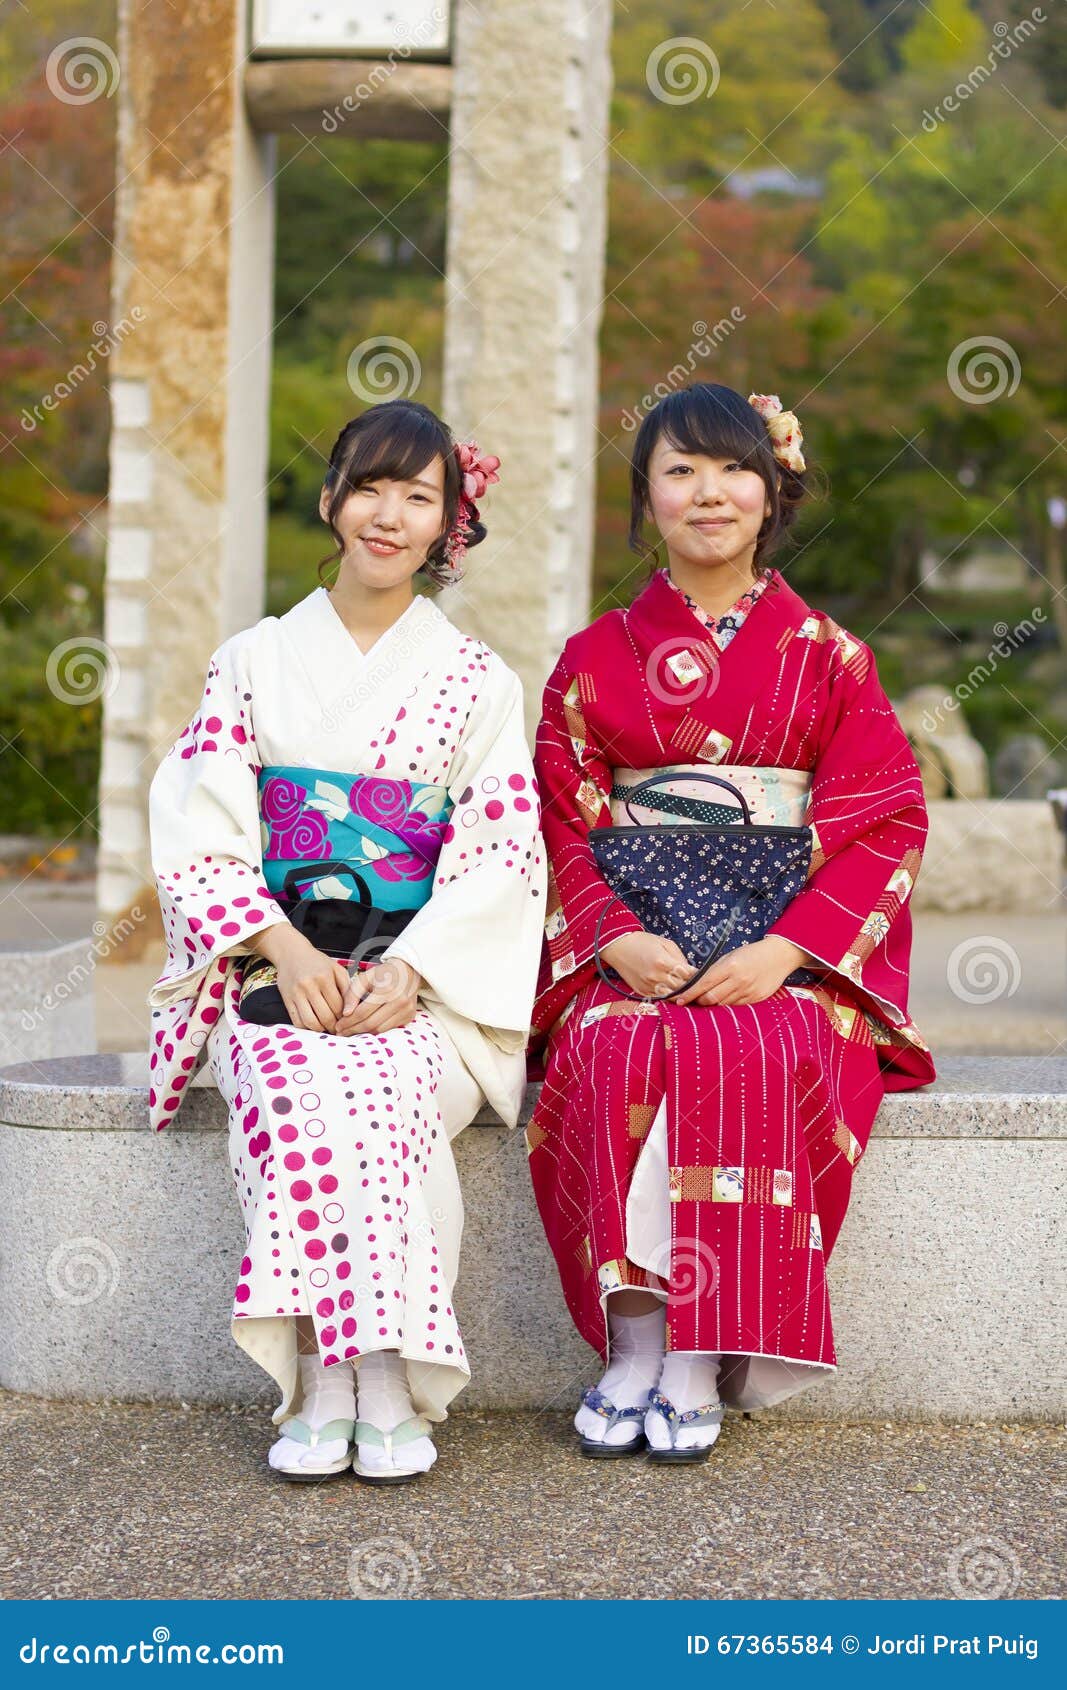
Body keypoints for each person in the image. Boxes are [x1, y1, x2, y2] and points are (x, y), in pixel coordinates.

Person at [526, 382, 935, 1464]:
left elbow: (882, 818)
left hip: (776, 951)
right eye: (679, 470)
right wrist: (607, 934)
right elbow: (561, 820)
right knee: (607, 1043)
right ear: (645, 497)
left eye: (731, 468)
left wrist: (785, 951)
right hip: (634, 944)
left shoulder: (829, 656)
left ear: (771, 489)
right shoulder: (590, 658)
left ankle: (703, 1349)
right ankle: (634, 1338)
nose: (708, 492)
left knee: (754, 1045)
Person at [147, 399, 545, 1483]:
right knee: (291, 1081)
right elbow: (199, 824)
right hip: (279, 966)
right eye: (369, 485)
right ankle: (334, 1374)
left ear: (445, 529)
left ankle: (377, 1370)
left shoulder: (477, 683)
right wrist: (281, 948)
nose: (388, 513)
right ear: (330, 498)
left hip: (419, 983)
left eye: (419, 496)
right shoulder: (253, 661)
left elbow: (504, 855)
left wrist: (413, 969)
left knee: (380, 1086)